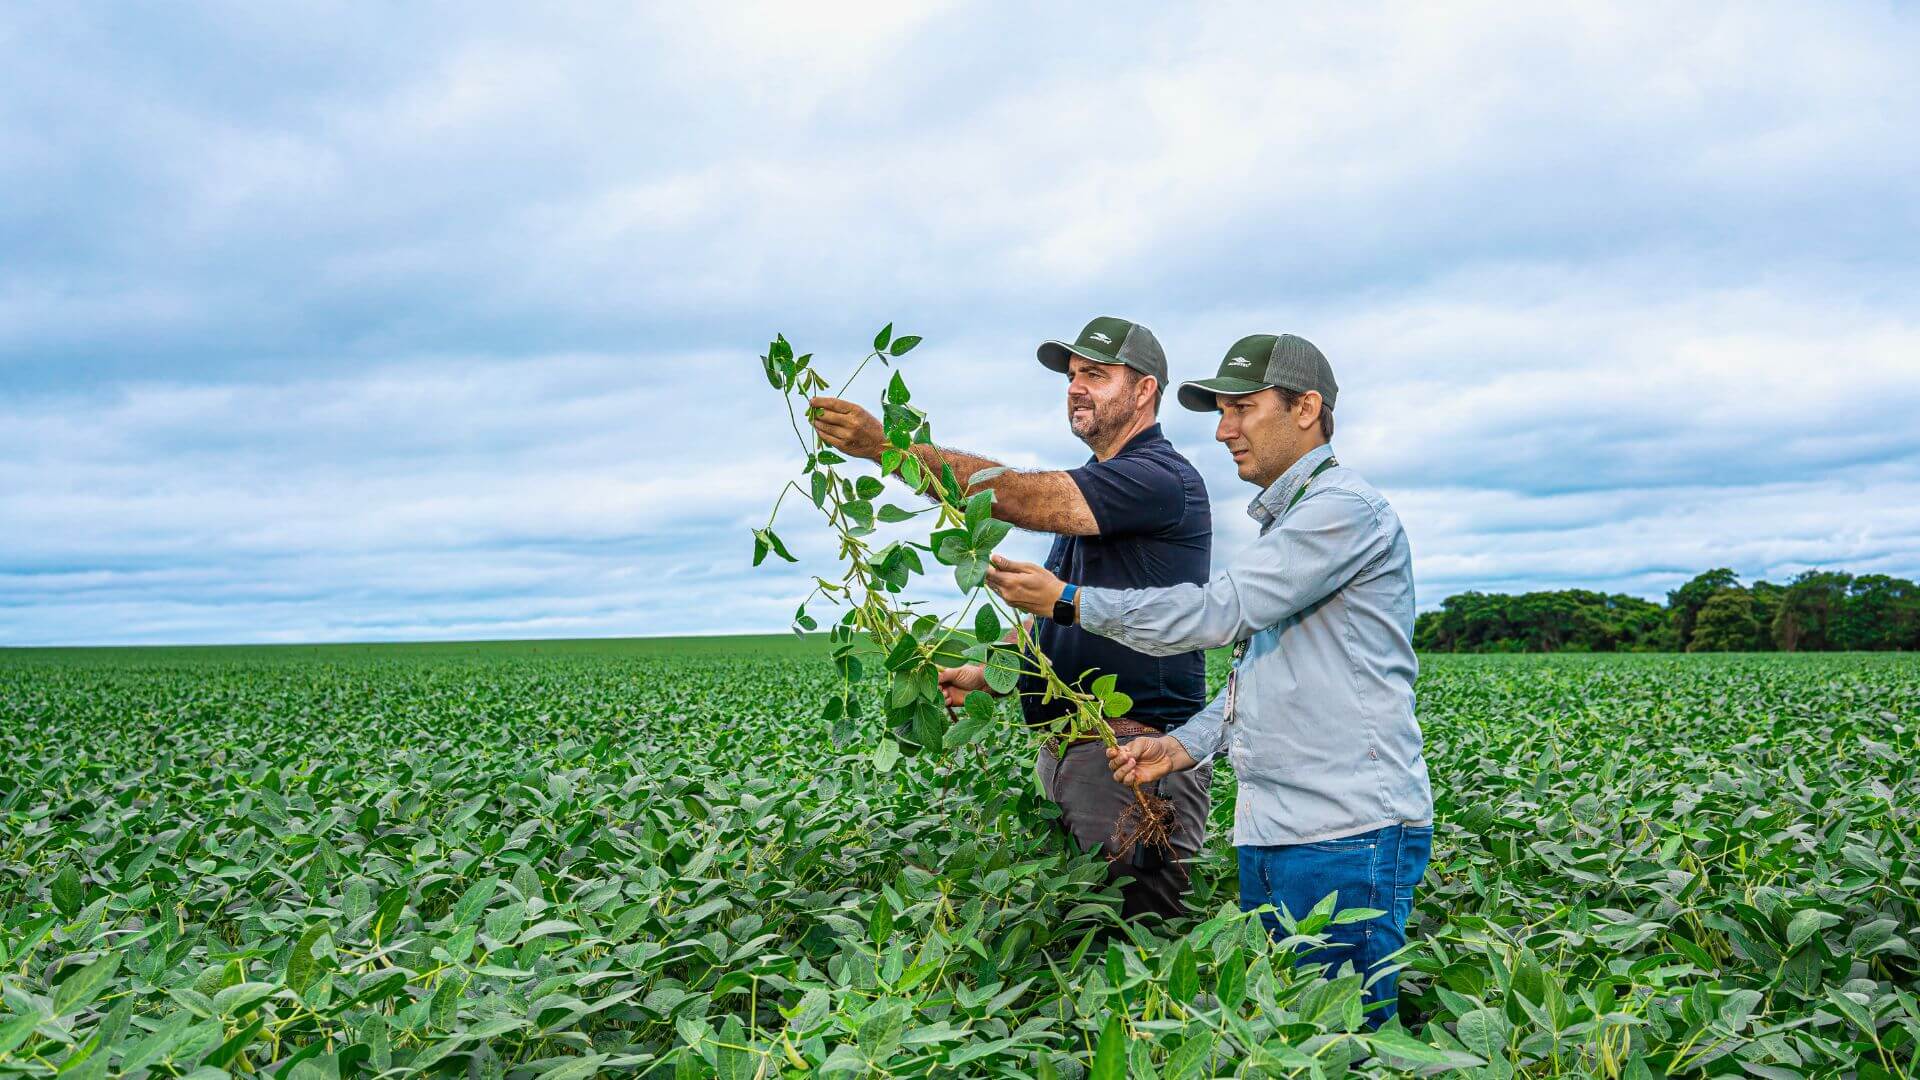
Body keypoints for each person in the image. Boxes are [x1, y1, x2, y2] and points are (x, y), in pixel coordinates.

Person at [985, 332, 1433, 1025]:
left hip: (1345, 832)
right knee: (1291, 1034)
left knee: (1343, 1044)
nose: (1223, 431)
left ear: (1306, 407)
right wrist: (1186, 745)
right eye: (1221, 412)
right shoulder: (1290, 523)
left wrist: (1068, 600)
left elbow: (1221, 610)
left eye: (1242, 409)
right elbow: (1258, 677)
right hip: (1278, 828)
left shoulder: (1343, 512)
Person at [808, 316, 1215, 920]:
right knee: (1081, 951)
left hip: (1131, 758)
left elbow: (1019, 497)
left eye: (1096, 376)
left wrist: (888, 451)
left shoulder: (1158, 478)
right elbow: (1054, 618)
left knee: (1136, 950)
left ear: (1144, 391)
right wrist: (986, 668)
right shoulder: (1108, 490)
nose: (1076, 387)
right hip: (1075, 753)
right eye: (1073, 376)